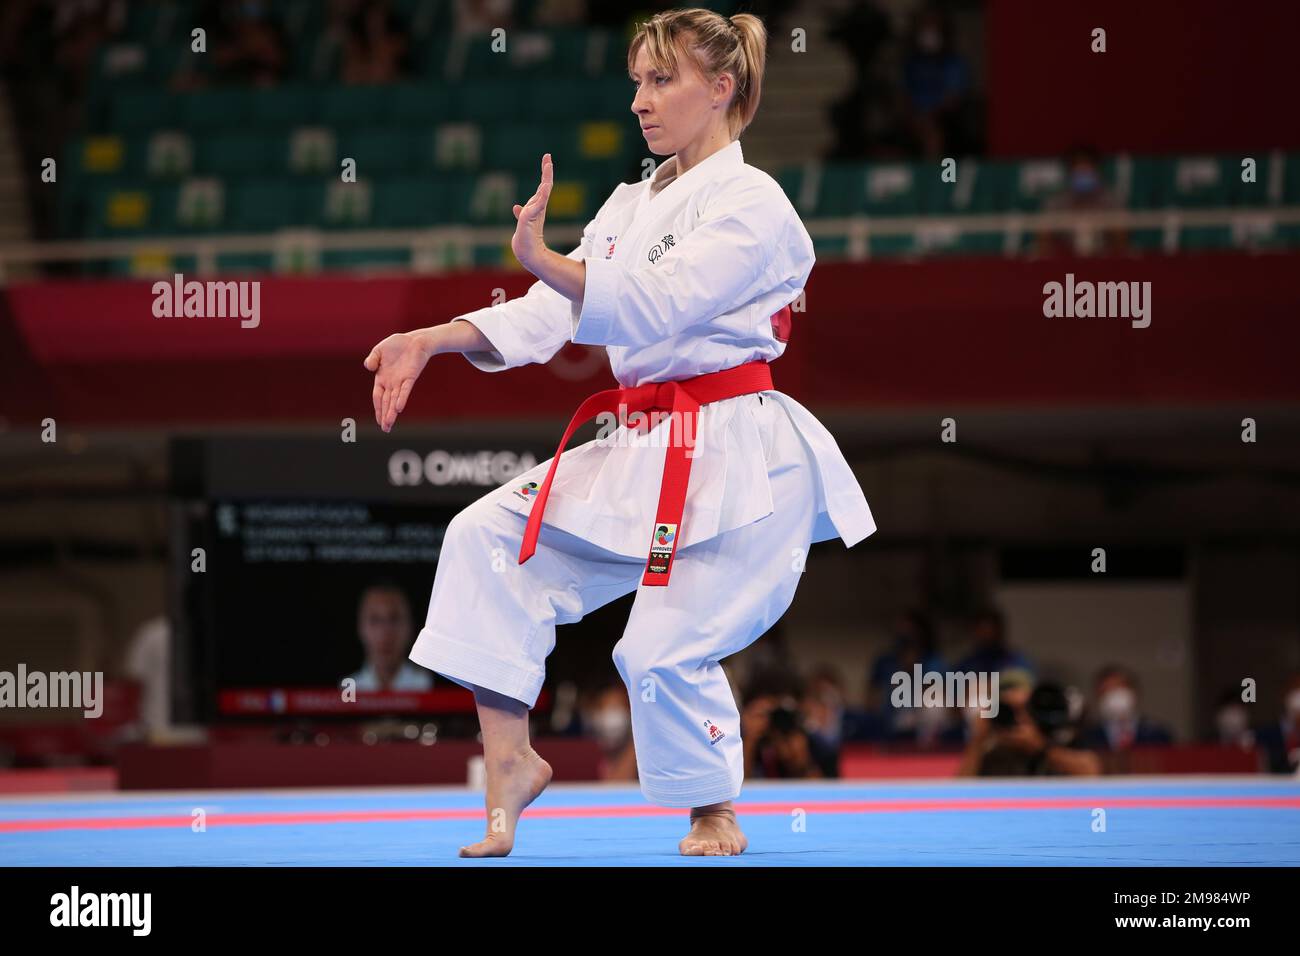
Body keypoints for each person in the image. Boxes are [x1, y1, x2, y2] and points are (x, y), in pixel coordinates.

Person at [363, 8, 876, 858]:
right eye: (636, 79)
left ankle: (712, 808)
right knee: (485, 538)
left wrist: (545, 260)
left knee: (659, 651)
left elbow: (654, 301)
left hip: (737, 452)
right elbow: (552, 312)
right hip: (642, 444)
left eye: (660, 79)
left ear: (721, 89)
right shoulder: (632, 202)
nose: (639, 99)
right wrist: (434, 338)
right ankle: (511, 767)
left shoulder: (757, 204)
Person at [343, 583, 431, 692]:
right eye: (374, 620)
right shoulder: (347, 690)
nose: (385, 632)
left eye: (394, 619)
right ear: (360, 627)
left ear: (410, 627)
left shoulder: (429, 686)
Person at [1078, 665, 1173, 751]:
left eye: (1119, 688)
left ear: (1134, 692)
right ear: (1098, 697)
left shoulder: (1157, 733)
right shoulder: (1087, 736)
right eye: (1107, 690)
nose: (1114, 696)